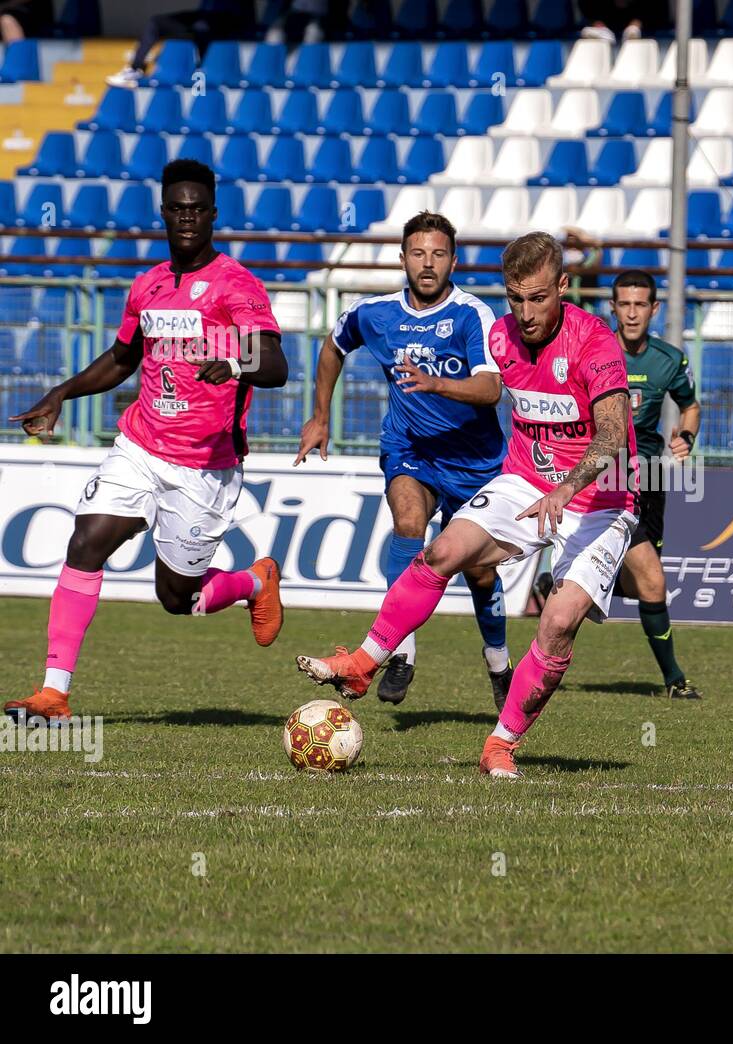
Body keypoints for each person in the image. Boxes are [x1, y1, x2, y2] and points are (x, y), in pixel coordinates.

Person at [295, 232, 640, 781]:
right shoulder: (500, 336)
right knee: (441, 551)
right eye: (515, 298)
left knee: (556, 622)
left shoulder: (594, 342)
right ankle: (362, 665)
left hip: (599, 501)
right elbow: (481, 385)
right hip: (524, 482)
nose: (525, 313)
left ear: (564, 288)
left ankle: (500, 743)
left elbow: (614, 435)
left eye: (539, 298)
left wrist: (565, 490)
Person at [4, 159, 287, 725]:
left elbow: (276, 364)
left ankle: (254, 581)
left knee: (177, 598)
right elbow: (123, 358)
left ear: (212, 214)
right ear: (164, 213)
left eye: (197, 209)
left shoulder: (236, 286)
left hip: (204, 466)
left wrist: (232, 361)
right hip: (140, 444)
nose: (187, 217)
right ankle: (53, 694)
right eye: (177, 208)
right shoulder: (148, 285)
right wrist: (61, 392)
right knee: (86, 542)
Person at [295, 212, 513, 708]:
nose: (428, 263)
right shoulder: (375, 314)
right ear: (402, 259)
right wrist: (320, 415)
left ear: (453, 261)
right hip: (411, 449)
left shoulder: (471, 316)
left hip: (475, 462)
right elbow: (333, 346)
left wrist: (435, 382)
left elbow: (491, 388)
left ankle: (498, 662)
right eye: (418, 253)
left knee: (480, 574)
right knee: (409, 522)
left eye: (438, 254)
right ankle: (402, 651)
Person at [535, 270, 702, 699]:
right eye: (624, 304)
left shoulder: (669, 360)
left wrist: (685, 436)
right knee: (652, 581)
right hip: (608, 480)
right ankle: (674, 680)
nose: (631, 313)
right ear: (612, 307)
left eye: (640, 304)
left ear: (654, 309)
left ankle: (564, 583)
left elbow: (690, 406)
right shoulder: (593, 350)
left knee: (642, 584)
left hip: (653, 481)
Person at [107, 1, 254, 89]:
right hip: (204, 17)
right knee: (156, 22)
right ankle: (135, 69)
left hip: (226, 22)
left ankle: (202, 74)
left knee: (202, 27)